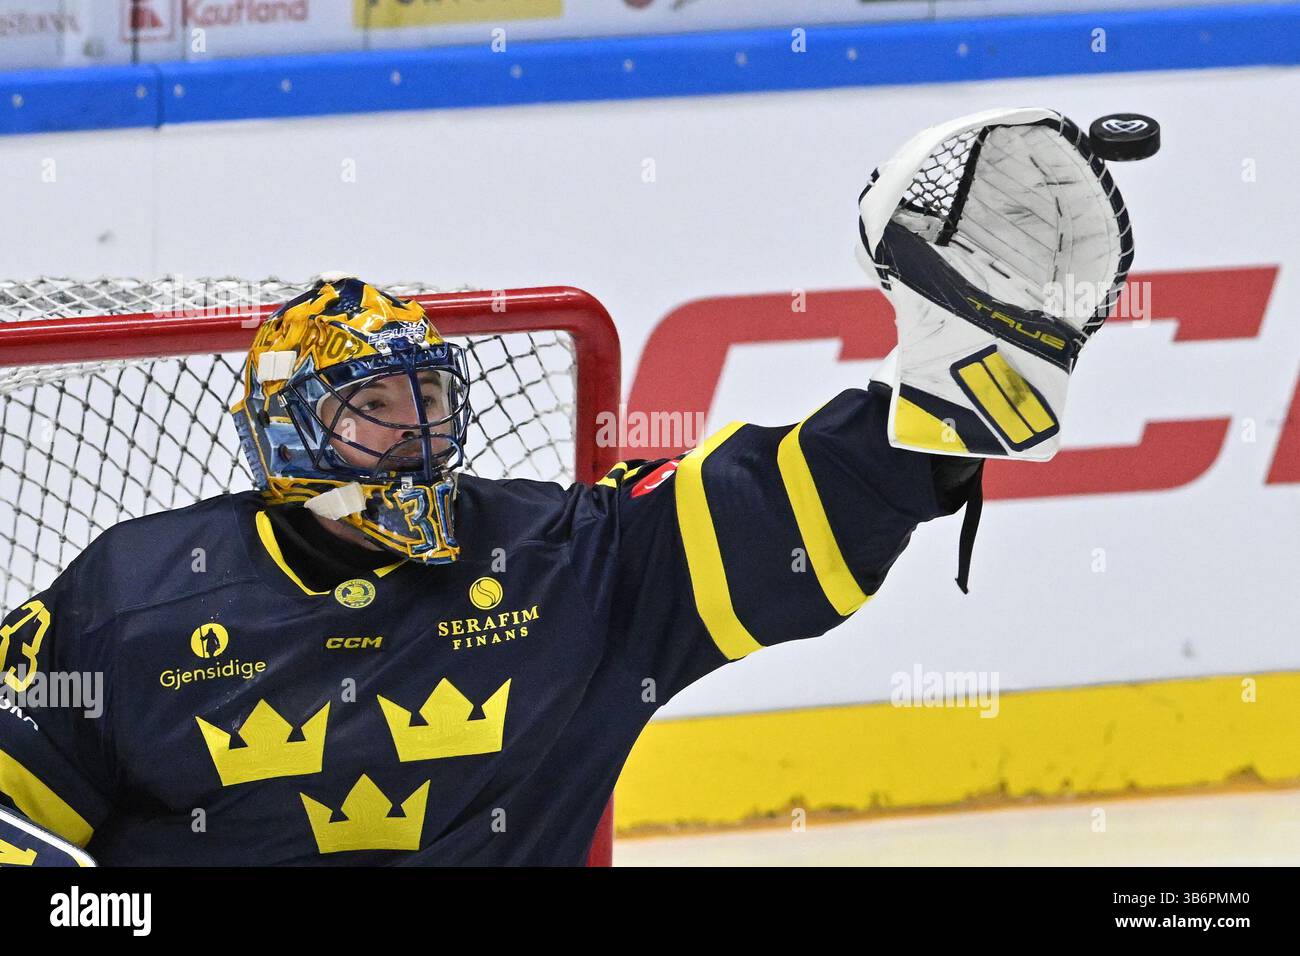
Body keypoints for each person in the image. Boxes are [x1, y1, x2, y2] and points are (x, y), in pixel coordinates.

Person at [0, 109, 1130, 865]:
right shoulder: (133, 596)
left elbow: (785, 511)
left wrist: (947, 393)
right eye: (373, 412)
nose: (416, 440)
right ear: (286, 440)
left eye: (429, 403)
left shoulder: (562, 560)